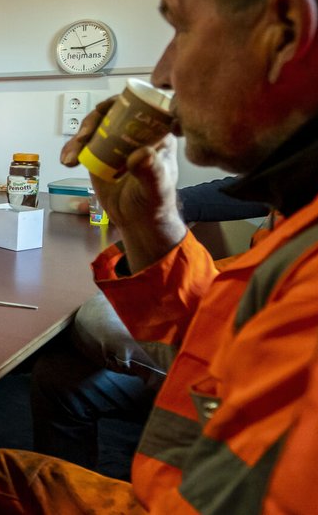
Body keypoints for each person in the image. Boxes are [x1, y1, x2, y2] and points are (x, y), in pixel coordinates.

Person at [0, 0, 318, 512]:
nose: (163, 74)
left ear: (285, 32)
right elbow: (224, 346)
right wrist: (151, 225)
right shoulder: (313, 200)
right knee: (61, 388)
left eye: (181, 26)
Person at [30, 178, 270, 479]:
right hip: (228, 326)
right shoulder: (311, 174)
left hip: (246, 381)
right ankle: (62, 496)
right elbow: (252, 187)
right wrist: (155, 206)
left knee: (100, 319)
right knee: (57, 378)